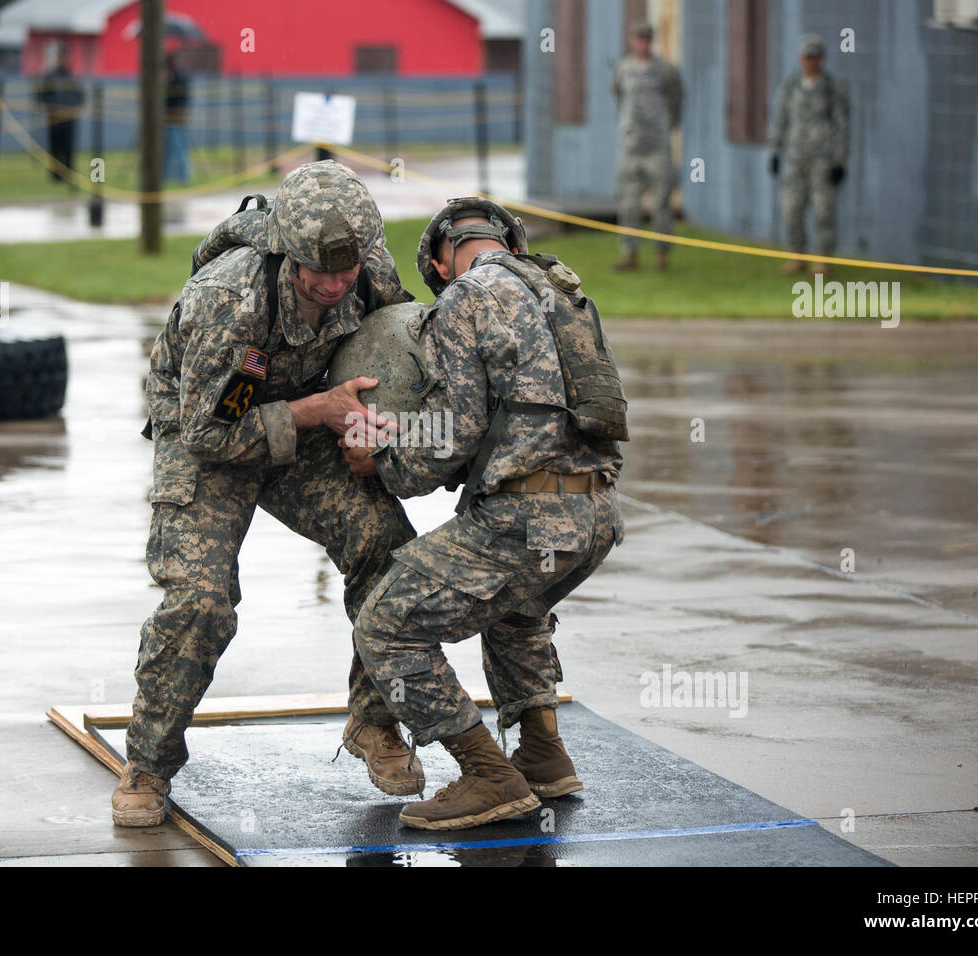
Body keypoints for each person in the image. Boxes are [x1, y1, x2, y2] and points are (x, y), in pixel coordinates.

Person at [113, 161, 424, 827]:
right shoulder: (229, 301)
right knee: (200, 600)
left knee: (388, 546)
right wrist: (319, 412)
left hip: (304, 415)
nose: (337, 284)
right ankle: (147, 764)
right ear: (287, 251)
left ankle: (374, 723)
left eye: (347, 270)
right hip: (211, 431)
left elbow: (392, 356)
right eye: (321, 272)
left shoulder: (366, 273)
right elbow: (208, 435)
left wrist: (374, 440)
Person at [343, 199, 626, 830]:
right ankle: (543, 754)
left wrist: (383, 462)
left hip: (526, 516)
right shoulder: (566, 293)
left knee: (385, 624)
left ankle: (487, 775)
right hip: (597, 511)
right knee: (515, 607)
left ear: (442, 261)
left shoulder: (464, 298)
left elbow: (451, 435)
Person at [768, 34, 850, 276]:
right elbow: (780, 119)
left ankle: (823, 259)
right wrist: (775, 151)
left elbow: (842, 126)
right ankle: (797, 256)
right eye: (806, 57)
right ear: (800, 58)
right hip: (795, 158)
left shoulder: (833, 89)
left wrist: (840, 161)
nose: (809, 62)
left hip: (822, 160)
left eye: (814, 57)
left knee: (824, 210)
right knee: (791, 208)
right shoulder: (790, 87)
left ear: (821, 59)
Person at [611, 20, 683, 272]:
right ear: (632, 41)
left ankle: (662, 255)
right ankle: (630, 255)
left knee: (661, 203)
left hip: (657, 147)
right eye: (638, 38)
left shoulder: (665, 70)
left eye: (646, 39)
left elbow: (676, 99)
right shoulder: (623, 68)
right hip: (631, 146)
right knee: (629, 203)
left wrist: (668, 126)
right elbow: (619, 95)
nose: (642, 43)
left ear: (651, 41)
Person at [37, 46, 85, 182]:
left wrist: (74, 108)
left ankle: (69, 173)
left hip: (69, 119)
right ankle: (56, 175)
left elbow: (80, 96)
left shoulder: (71, 76)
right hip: (54, 119)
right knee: (55, 148)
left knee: (68, 147)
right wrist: (51, 107)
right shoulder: (50, 77)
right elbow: (42, 96)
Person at [164, 49, 191, 184]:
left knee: (179, 150)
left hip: (177, 120)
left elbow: (182, 98)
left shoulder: (180, 77)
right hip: (165, 120)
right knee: (165, 151)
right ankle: (165, 177)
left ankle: (183, 177)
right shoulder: (164, 77)